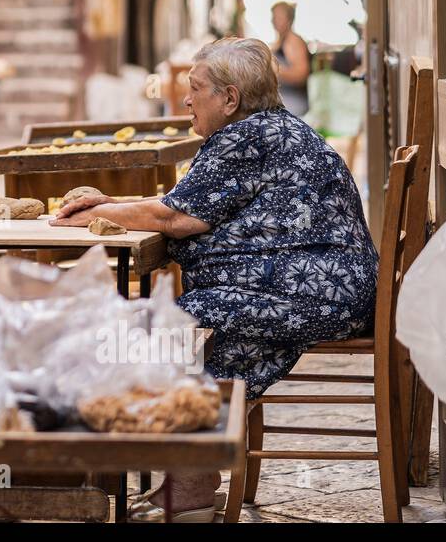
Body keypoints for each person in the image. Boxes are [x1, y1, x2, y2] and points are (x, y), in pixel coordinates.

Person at [53, 37, 377, 517]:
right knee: (192, 331)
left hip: (316, 290)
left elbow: (175, 218)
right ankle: (187, 489)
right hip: (316, 286)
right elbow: (190, 204)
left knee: (178, 328)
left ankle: (185, 495)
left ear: (230, 98)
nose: (186, 99)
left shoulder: (247, 137)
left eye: (196, 88)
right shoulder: (265, 130)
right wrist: (113, 206)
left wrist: (96, 213)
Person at [271, 1, 310, 116]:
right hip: (282, 100)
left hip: (294, 103)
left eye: (278, 17)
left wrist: (275, 70)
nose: (273, 21)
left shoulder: (293, 42)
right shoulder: (278, 42)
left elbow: (301, 75)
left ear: (289, 19)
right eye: (273, 17)